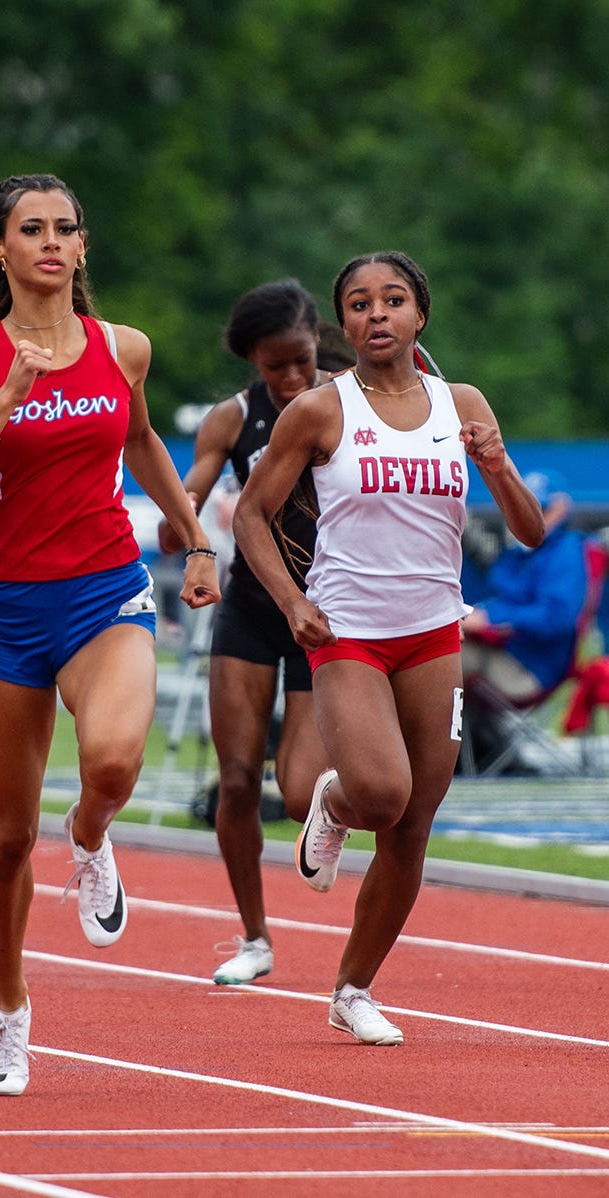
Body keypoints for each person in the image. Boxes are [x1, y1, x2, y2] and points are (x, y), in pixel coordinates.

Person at [0, 174, 219, 1095]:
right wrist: (1, 404)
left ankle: (91, 836)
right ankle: (9, 1007)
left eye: (66, 228)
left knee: (115, 763)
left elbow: (143, 444)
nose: (51, 241)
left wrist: (195, 536)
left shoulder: (124, 348)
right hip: (8, 610)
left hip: (105, 592)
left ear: (83, 248)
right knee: (5, 838)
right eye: (30, 228)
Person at [233, 250, 545, 1046]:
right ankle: (334, 805)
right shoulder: (320, 409)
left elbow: (530, 530)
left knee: (413, 827)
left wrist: (497, 466)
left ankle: (352, 989)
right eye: (361, 304)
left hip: (434, 630)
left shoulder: (461, 402)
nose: (378, 315)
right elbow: (250, 516)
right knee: (380, 795)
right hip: (349, 631)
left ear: (420, 316)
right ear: (344, 324)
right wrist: (292, 601)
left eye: (393, 300)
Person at [156, 280, 345, 987]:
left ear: (317, 345)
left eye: (300, 361)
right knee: (235, 780)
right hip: (252, 609)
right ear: (253, 363)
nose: (291, 378)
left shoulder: (348, 400)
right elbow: (183, 507)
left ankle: (335, 815)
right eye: (275, 367)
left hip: (325, 611)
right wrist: (185, 525)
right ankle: (256, 937)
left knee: (301, 794)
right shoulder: (231, 419)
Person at [459, 470, 591, 768]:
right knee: (437, 645)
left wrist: (491, 618)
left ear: (560, 508)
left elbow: (557, 617)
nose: (530, 515)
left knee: (439, 658)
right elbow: (499, 588)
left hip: (532, 668)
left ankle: (418, 763)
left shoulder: (566, 550)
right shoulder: (526, 551)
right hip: (506, 654)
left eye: (540, 508)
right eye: (524, 506)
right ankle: (475, 753)